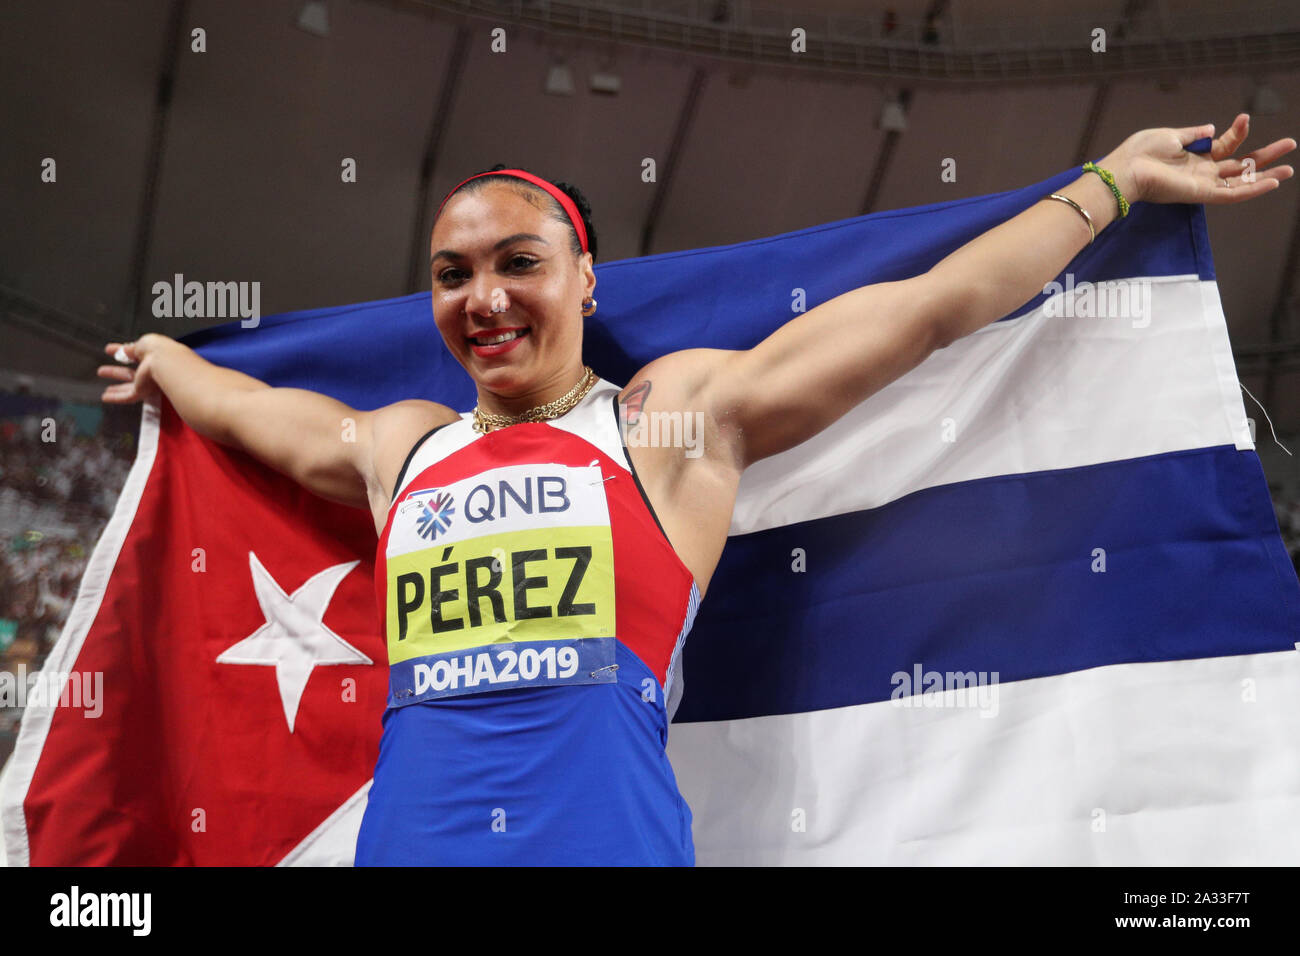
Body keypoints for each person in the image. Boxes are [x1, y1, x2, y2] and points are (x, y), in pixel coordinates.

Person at [100, 115, 1294, 865]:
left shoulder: (668, 425)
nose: (485, 297)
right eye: (452, 274)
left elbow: (929, 311)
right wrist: (172, 360)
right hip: (412, 843)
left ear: (586, 282)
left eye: (520, 263)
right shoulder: (401, 450)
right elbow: (251, 415)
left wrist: (1111, 184)